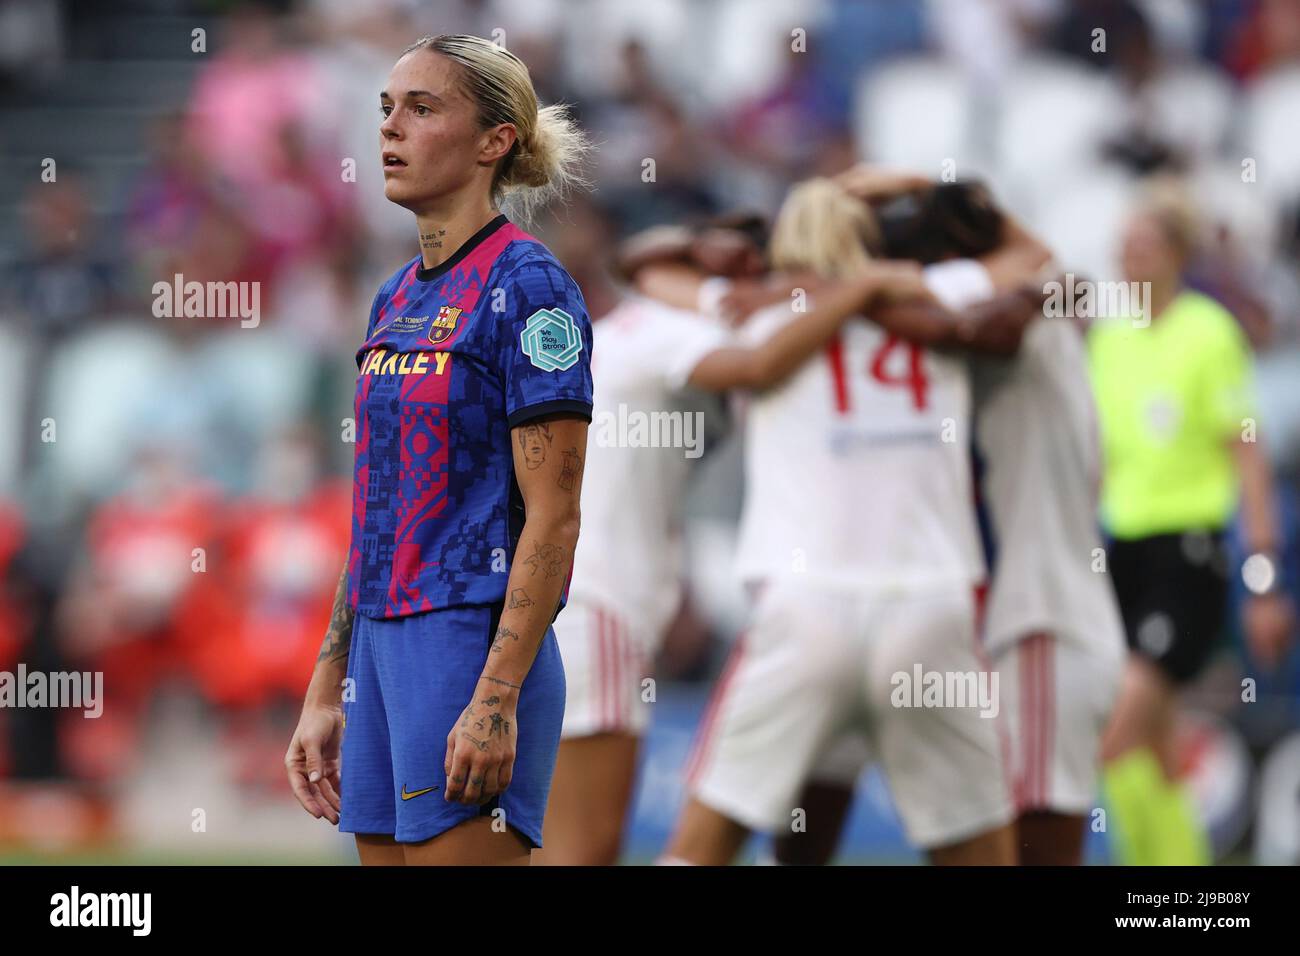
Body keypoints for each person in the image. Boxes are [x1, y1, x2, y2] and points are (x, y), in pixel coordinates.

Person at [538, 218, 940, 865]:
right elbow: (758, 362)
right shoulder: (677, 332)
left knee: (548, 845)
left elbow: (637, 258)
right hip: (599, 601)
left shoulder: (627, 330)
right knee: (586, 853)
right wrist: (860, 290)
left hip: (562, 597)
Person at [284, 34, 595, 866]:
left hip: (465, 638)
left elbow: (555, 517)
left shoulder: (529, 286)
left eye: (422, 110)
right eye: (386, 110)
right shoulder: (392, 295)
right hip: (381, 647)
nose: (391, 130)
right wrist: (327, 685)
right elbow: (377, 507)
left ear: (496, 141)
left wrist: (495, 694)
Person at [660, 177, 1023, 866]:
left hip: (807, 603)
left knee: (697, 854)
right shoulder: (937, 302)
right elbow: (1032, 256)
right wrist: (915, 188)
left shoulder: (760, 321)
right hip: (930, 602)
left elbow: (647, 273)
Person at [1091, 181, 1295, 865]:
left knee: (1115, 732)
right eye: (1123, 246)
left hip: (1189, 552)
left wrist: (1263, 578)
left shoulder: (1208, 334)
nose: (1131, 259)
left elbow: (1249, 457)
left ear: (1178, 253)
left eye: (1145, 245)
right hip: (1122, 551)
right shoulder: (1110, 342)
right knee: (1154, 749)